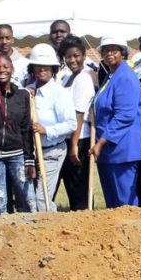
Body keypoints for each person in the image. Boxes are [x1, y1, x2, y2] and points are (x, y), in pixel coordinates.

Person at [0, 54, 36, 214]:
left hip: (18, 155)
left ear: (12, 69)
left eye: (5, 67)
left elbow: (27, 130)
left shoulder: (23, 95)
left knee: (28, 198)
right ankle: (1, 235)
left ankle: (32, 232)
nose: (1, 70)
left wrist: (30, 161)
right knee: (0, 199)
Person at [91, 36, 141, 208]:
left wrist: (101, 142)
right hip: (109, 150)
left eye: (114, 50)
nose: (109, 54)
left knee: (124, 203)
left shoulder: (125, 77)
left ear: (123, 53)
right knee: (112, 203)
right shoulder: (110, 75)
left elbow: (125, 116)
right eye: (105, 50)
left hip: (121, 148)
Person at [25, 44, 76, 212]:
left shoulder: (59, 93)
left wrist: (46, 130)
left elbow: (71, 123)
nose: (42, 70)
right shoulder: (27, 91)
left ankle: (51, 231)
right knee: (29, 197)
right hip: (31, 153)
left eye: (46, 67)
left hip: (52, 151)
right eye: (38, 66)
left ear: (53, 68)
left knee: (42, 198)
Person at [57, 36, 97, 211]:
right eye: (68, 56)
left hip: (79, 138)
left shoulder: (84, 78)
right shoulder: (67, 78)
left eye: (76, 55)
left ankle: (86, 221)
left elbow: (79, 112)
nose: (72, 60)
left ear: (84, 55)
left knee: (80, 187)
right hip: (67, 136)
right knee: (71, 186)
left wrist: (73, 145)